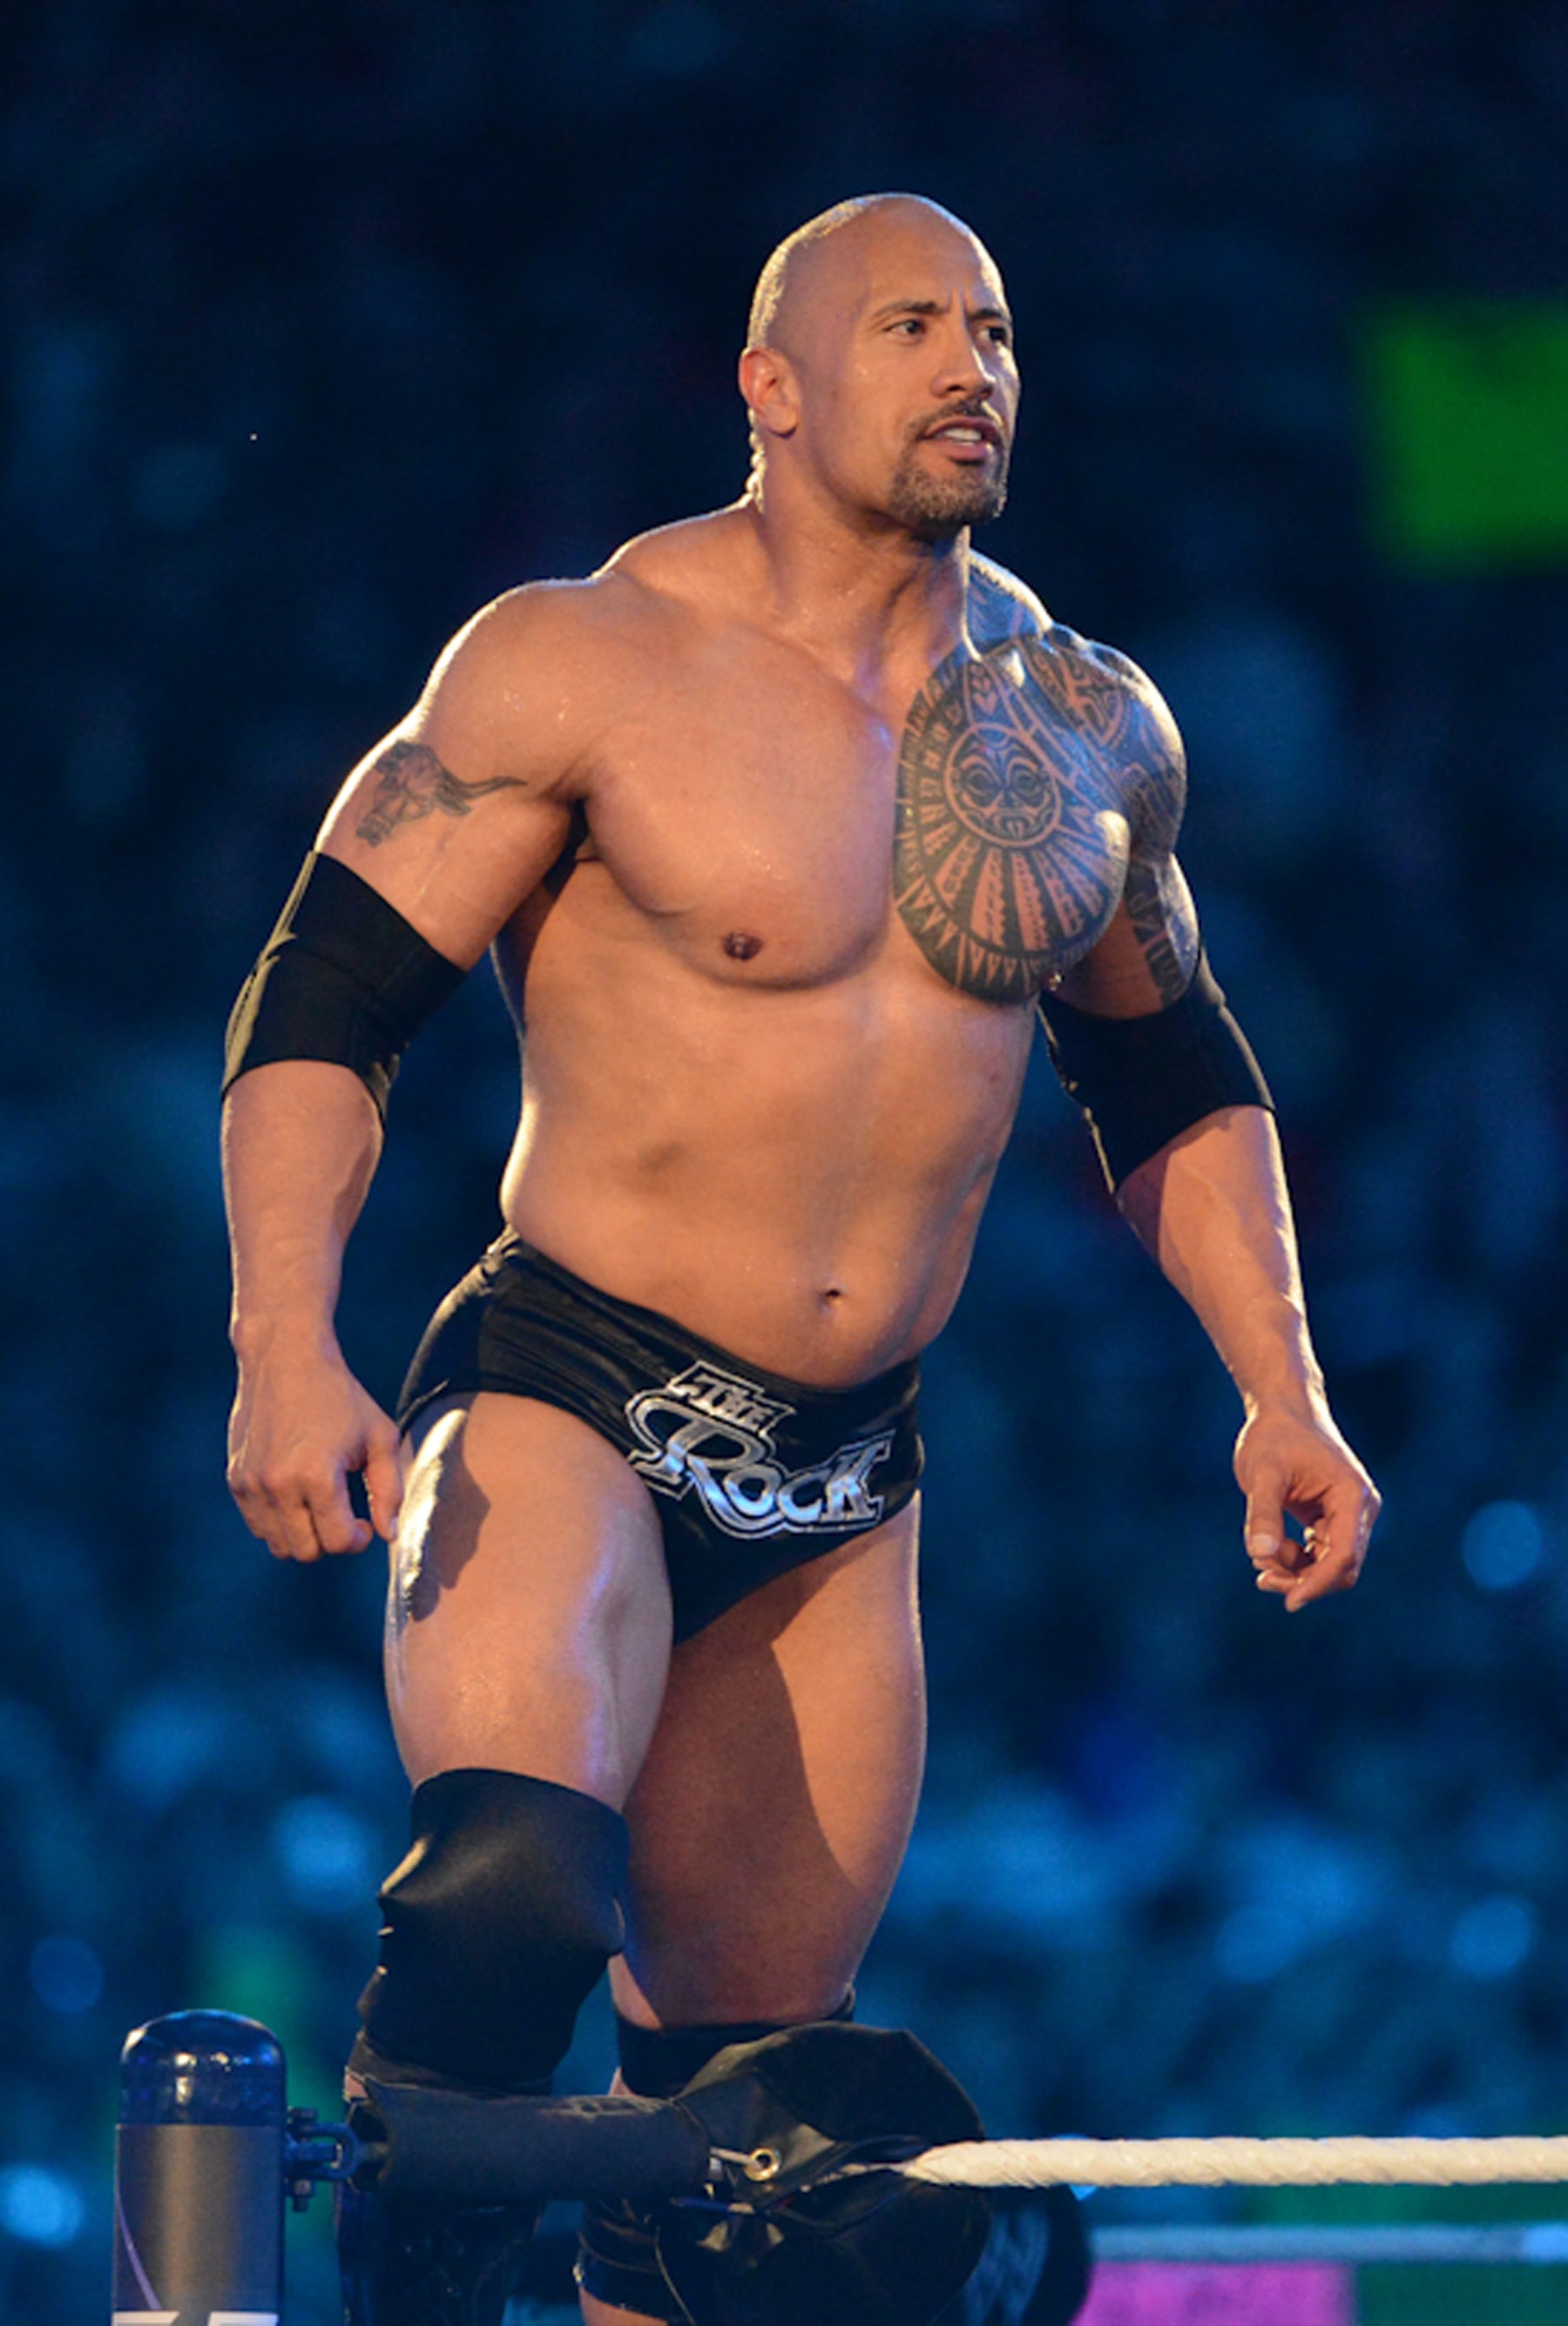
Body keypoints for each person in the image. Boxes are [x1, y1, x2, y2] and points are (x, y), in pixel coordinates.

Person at [221, 193, 1380, 2326]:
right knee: (507, 1898)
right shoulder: (584, 659)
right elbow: (326, 1002)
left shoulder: (1082, 726)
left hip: (845, 1476)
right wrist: (283, 1337)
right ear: (770, 385)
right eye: (915, 325)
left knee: (738, 2147)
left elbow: (1171, 1080)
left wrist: (1280, 1389)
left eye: (998, 331)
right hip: (574, 1381)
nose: (973, 368)